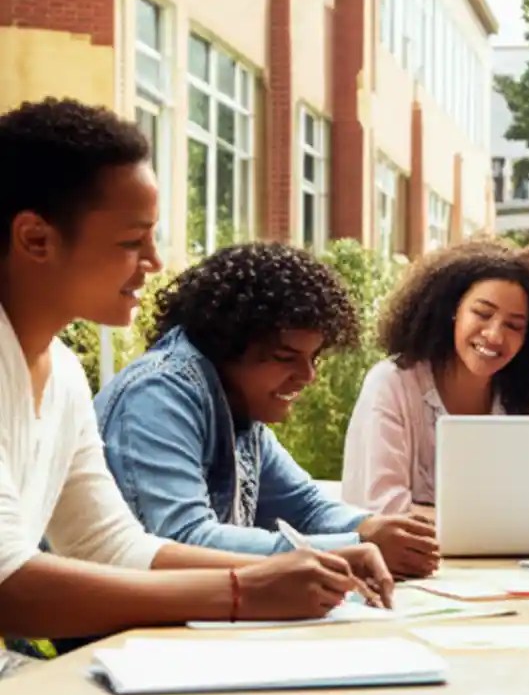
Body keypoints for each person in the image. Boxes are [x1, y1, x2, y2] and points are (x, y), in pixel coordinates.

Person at [0, 99, 392, 666]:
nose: (154, 261)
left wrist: (317, 564)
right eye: (132, 241)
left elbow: (109, 545)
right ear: (36, 239)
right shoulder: (157, 387)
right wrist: (242, 592)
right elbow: (9, 586)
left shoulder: (62, 372)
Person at [94, 243, 439, 579]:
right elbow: (183, 540)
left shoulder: (237, 409)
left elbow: (305, 507)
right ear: (226, 345)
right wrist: (355, 545)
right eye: (285, 357)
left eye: (314, 358)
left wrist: (370, 527)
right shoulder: (157, 396)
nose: (308, 375)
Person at [341, 239, 529, 515]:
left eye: (513, 326)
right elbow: (379, 506)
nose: (495, 335)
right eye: (482, 313)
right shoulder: (392, 384)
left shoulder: (516, 405)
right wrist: (477, 525)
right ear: (452, 310)